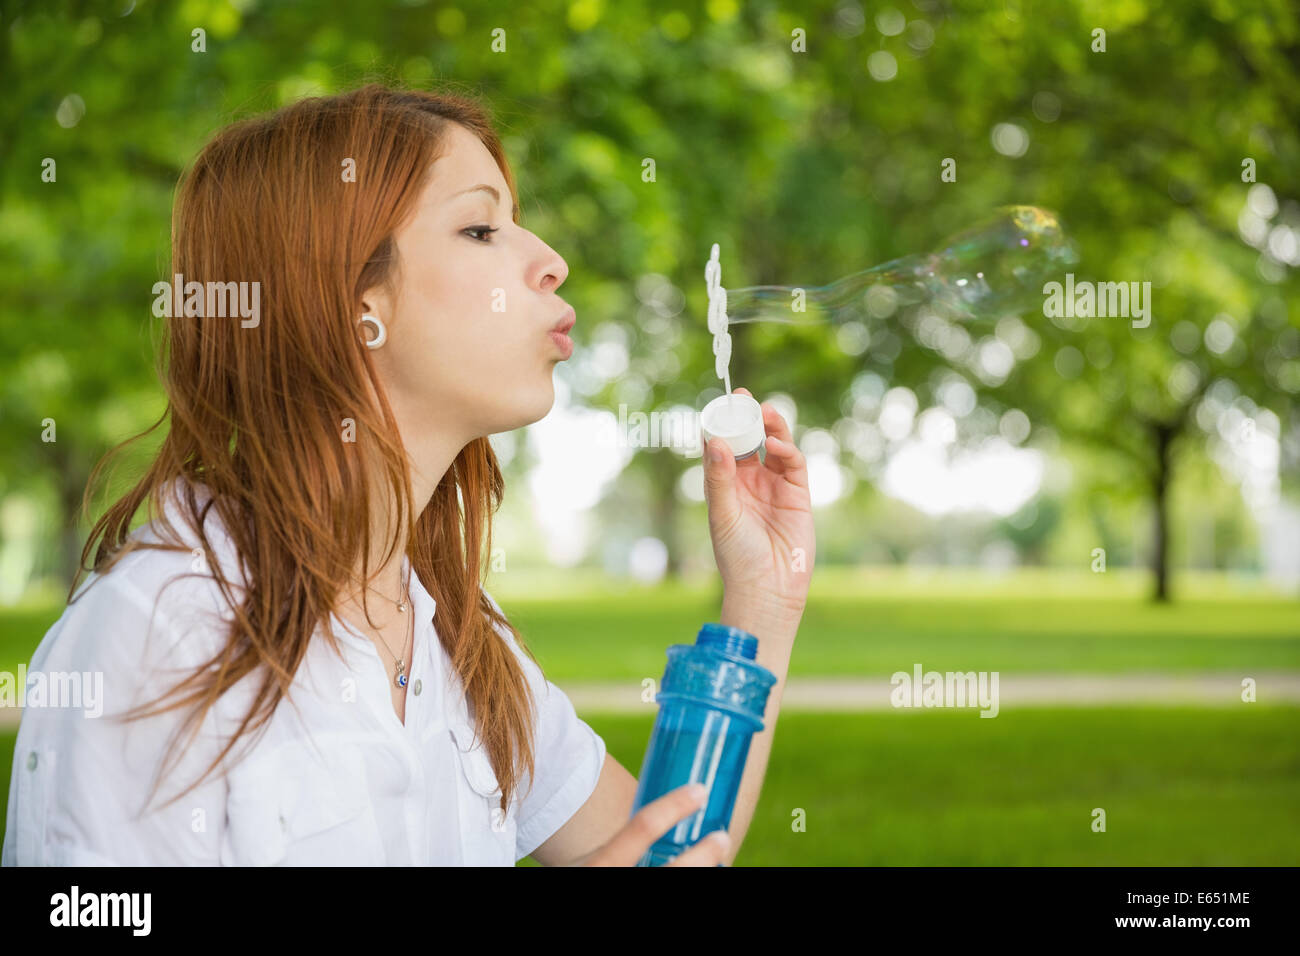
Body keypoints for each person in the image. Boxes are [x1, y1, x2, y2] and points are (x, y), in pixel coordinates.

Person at [1, 83, 814, 867]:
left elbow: (671, 847)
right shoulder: (161, 633)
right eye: (480, 230)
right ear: (352, 300)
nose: (553, 263)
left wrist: (764, 599)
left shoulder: (457, 633)